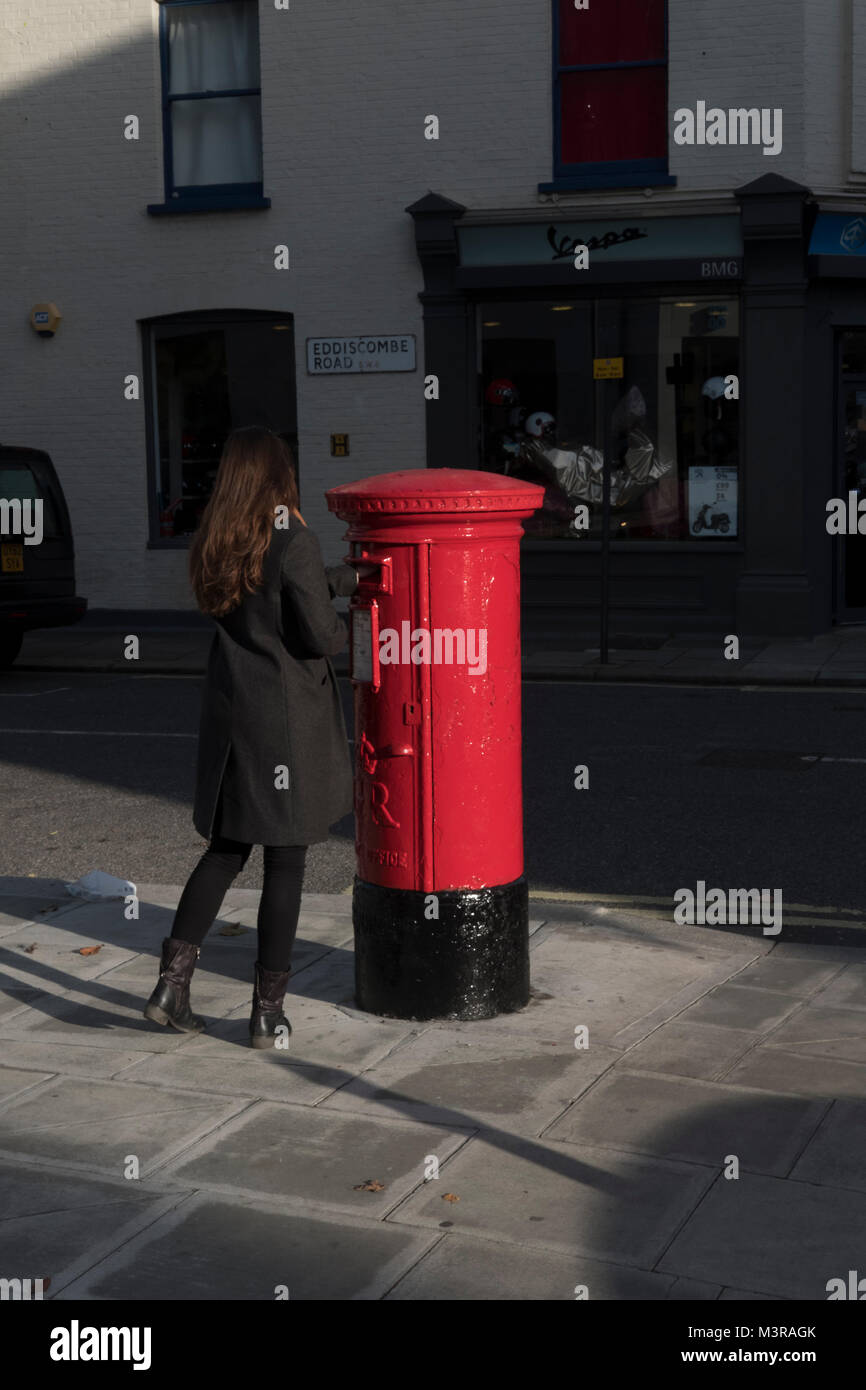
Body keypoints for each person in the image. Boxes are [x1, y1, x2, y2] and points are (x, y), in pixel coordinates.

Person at [143, 426, 358, 1048]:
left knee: (225, 852)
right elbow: (320, 634)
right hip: (285, 728)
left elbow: (274, 588)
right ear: (276, 476)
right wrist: (346, 608)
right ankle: (267, 1013)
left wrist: (338, 574)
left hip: (234, 720)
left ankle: (171, 986)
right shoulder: (292, 538)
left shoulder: (219, 541)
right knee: (285, 863)